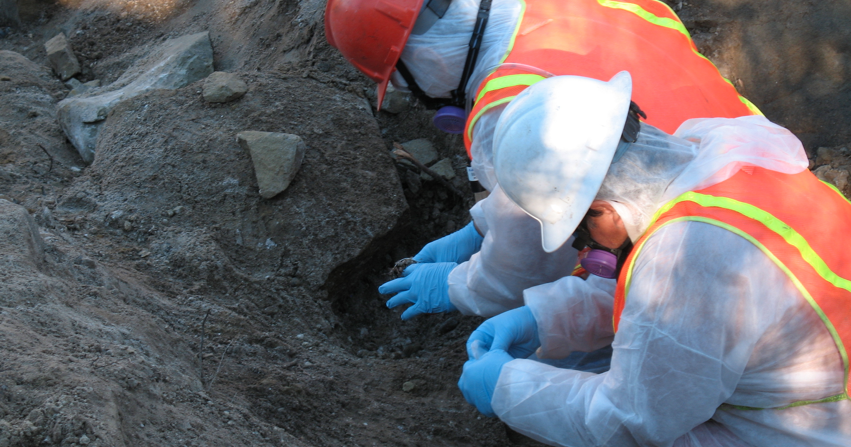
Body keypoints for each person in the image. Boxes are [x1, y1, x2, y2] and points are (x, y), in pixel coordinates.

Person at [457, 72, 851, 445]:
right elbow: (674, 310)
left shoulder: (688, 258)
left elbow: (629, 422)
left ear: (604, 211)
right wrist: (546, 320)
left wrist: (507, 388)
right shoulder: (725, 154)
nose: (584, 247)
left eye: (580, 230)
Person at [325, 0, 761, 320]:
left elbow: (533, 267)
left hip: (702, 259)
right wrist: (482, 223)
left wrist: (457, 286)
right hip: (759, 172)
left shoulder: (506, 110)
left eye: (401, 81)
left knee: (558, 341)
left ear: (429, 59)